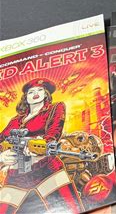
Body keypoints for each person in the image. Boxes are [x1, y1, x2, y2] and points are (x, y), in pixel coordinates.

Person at [0, 79, 84, 212]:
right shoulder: (15, 121)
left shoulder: (55, 108)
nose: (35, 94)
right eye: (31, 92)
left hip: (47, 169)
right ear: (25, 97)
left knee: (72, 209)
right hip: (16, 175)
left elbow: (54, 133)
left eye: (40, 90)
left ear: (46, 94)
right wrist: (2, 157)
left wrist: (40, 144)